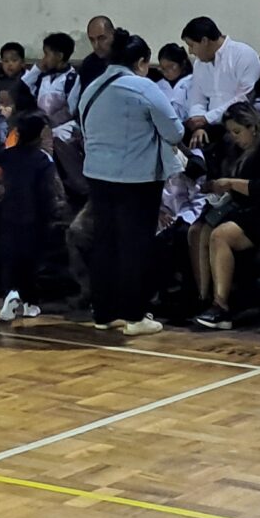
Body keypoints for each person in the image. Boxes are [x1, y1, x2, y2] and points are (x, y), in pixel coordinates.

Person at [75, 31, 183, 334]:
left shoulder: (93, 86)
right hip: (137, 178)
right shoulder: (143, 86)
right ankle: (135, 315)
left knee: (104, 244)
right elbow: (174, 133)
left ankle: (104, 313)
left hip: (97, 175)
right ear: (141, 62)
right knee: (135, 246)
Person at [186, 104, 260, 331]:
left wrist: (231, 184)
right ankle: (204, 298)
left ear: (253, 127)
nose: (234, 137)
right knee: (197, 230)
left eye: (238, 132)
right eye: (231, 132)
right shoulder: (235, 149)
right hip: (242, 208)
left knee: (221, 235)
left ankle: (221, 305)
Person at [0, 111, 59, 319]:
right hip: (35, 217)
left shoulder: (8, 156)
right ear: (40, 136)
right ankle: (30, 302)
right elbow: (48, 192)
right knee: (30, 261)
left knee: (10, 258)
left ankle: (11, 293)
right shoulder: (43, 160)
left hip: (8, 214)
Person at [181, 17, 260, 129]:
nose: (190, 52)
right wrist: (198, 123)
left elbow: (244, 98)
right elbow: (197, 99)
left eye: (191, 45)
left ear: (204, 41)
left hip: (241, 123)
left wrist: (207, 118)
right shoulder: (199, 64)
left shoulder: (243, 55)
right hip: (209, 125)